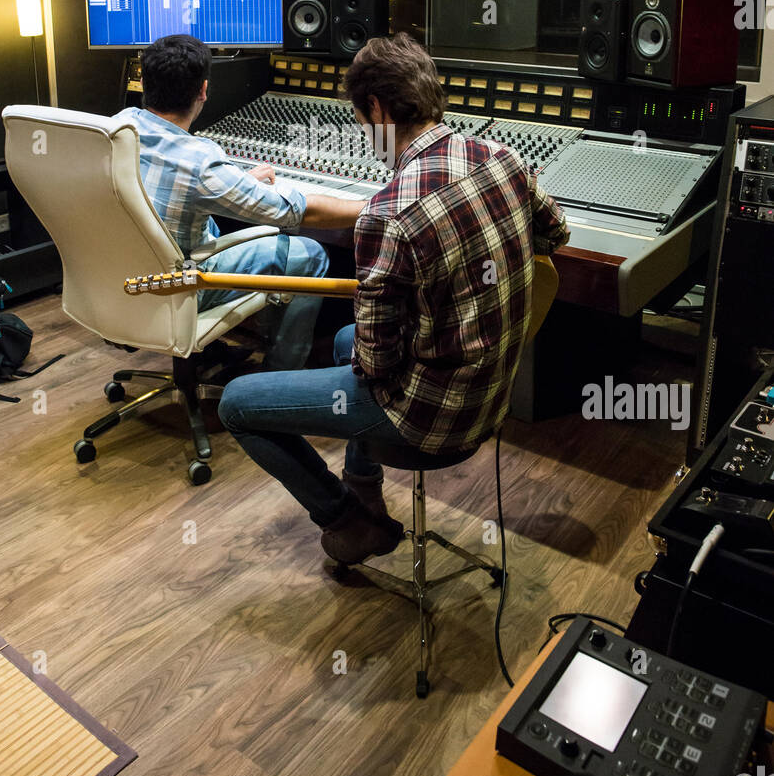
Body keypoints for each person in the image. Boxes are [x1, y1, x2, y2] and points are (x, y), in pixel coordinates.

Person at [219, 32, 570, 564]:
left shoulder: (388, 215)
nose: (363, 133)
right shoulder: (503, 157)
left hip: (430, 419)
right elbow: (556, 234)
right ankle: (363, 482)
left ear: (377, 108)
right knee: (343, 339)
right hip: (492, 396)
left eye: (362, 121)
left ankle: (348, 520)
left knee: (237, 402)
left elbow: (377, 365)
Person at [116, 34, 363, 372]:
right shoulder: (200, 162)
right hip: (177, 288)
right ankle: (277, 380)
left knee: (208, 223)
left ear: (143, 82)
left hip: (119, 282)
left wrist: (240, 183)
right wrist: (374, 204)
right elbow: (296, 212)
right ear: (203, 90)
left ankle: (207, 355)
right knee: (312, 254)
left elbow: (183, 187)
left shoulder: (116, 127)